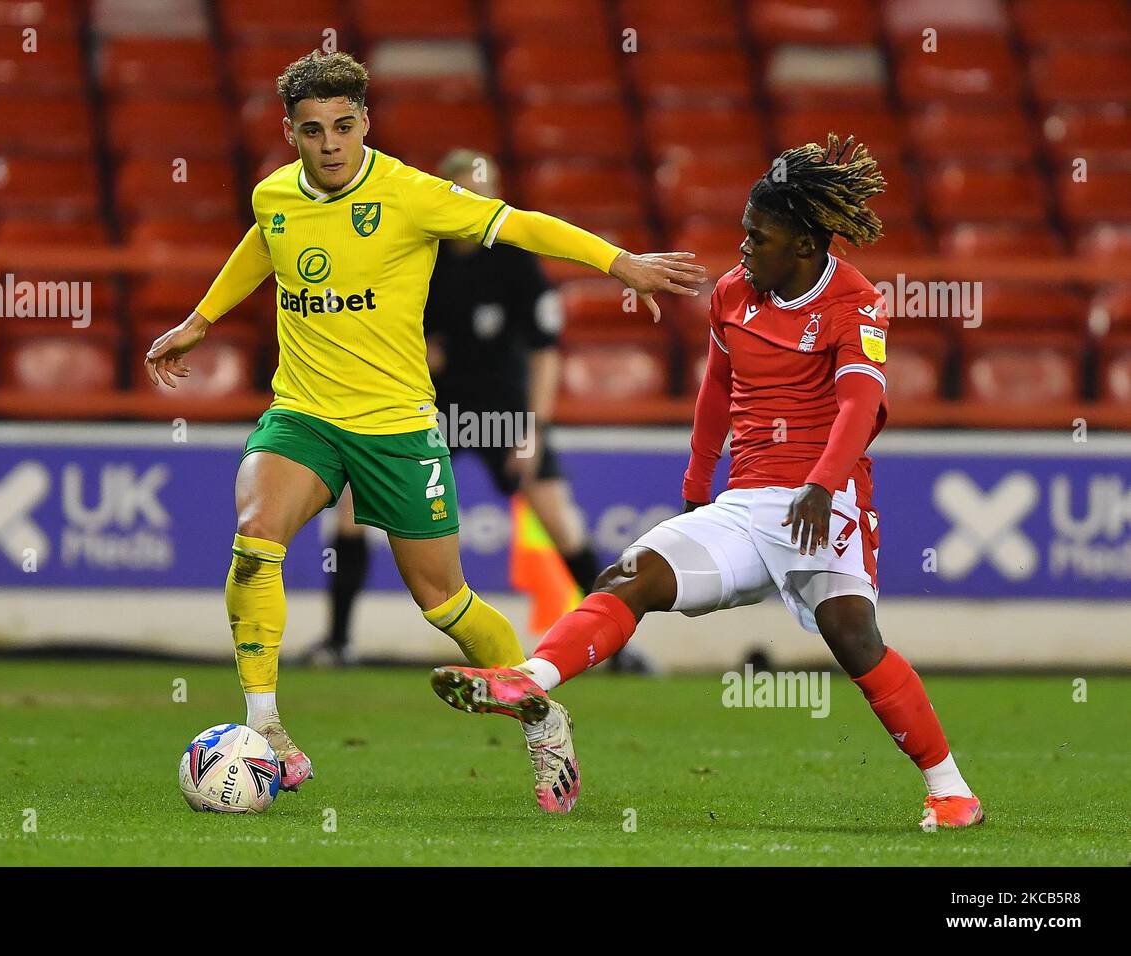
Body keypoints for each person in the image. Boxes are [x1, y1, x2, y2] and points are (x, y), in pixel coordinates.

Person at [143, 51, 704, 798]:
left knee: (444, 601)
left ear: (365, 122)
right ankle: (269, 729)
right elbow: (265, 242)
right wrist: (199, 319)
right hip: (304, 413)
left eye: (344, 126)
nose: (331, 144)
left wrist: (617, 261)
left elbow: (520, 224)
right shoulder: (274, 195)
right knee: (255, 537)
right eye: (313, 131)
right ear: (291, 133)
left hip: (398, 426)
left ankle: (542, 718)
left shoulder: (412, 194)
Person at [428, 135, 984, 829]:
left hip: (824, 500)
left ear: (806, 247)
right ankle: (527, 680)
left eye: (760, 237)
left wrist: (820, 482)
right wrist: (696, 488)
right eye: (743, 233)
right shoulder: (731, 294)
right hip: (745, 505)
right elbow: (717, 393)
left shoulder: (857, 302)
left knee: (851, 634)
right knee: (628, 574)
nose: (744, 248)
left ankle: (951, 789)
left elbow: (860, 404)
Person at [307, 148, 653, 674]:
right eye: (465, 188)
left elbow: (544, 354)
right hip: (428, 409)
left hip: (502, 413)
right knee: (353, 509)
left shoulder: (513, 258)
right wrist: (418, 346)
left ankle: (618, 651)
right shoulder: (420, 254)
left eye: (482, 187)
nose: (477, 198)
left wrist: (532, 430)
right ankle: (337, 642)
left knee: (561, 521)